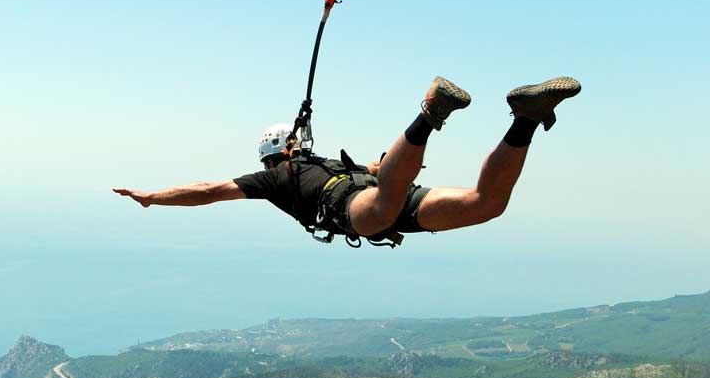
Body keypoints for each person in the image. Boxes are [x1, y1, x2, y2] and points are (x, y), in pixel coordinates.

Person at [113, 77, 581, 246]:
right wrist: (377, 172)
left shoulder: (276, 176)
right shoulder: (325, 161)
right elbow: (379, 172)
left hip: (361, 209)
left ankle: (429, 113)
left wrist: (154, 197)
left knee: (380, 210)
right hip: (390, 198)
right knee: (486, 204)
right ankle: (526, 119)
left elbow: (211, 191)